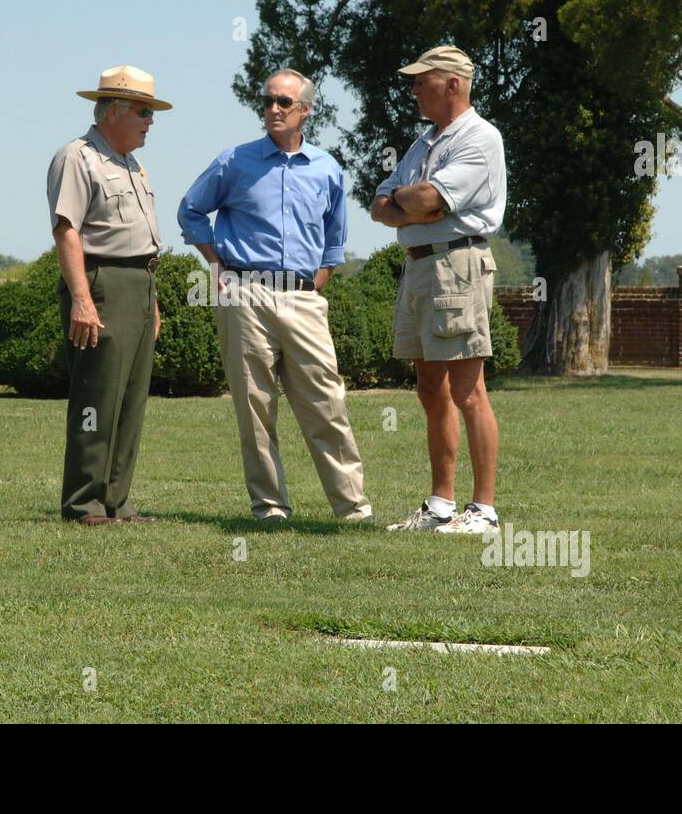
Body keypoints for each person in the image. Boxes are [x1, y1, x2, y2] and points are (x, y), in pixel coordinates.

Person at [178, 68, 374, 525]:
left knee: (327, 403)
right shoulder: (235, 162)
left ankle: (353, 509)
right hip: (244, 295)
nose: (273, 109)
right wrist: (218, 267)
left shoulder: (327, 169)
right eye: (267, 101)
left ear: (306, 110)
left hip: (304, 300)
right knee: (254, 406)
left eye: (284, 102)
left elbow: (332, 244)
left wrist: (310, 291)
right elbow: (190, 210)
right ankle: (269, 507)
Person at [370, 46, 506, 535]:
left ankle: (484, 511)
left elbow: (429, 198)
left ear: (452, 83)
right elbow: (379, 204)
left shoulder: (480, 138)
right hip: (419, 268)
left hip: (457, 265)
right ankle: (441, 505)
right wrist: (411, 206)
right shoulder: (422, 143)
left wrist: (413, 202)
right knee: (431, 389)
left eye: (420, 81)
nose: (412, 91)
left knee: (469, 391)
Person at [47, 65, 169, 525]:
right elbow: (67, 230)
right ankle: (84, 502)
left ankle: (117, 501)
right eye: (143, 111)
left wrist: (151, 298)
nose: (149, 121)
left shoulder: (131, 163)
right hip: (103, 285)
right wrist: (82, 298)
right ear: (113, 111)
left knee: (131, 399)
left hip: (140, 284)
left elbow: (139, 241)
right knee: (97, 397)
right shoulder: (77, 157)